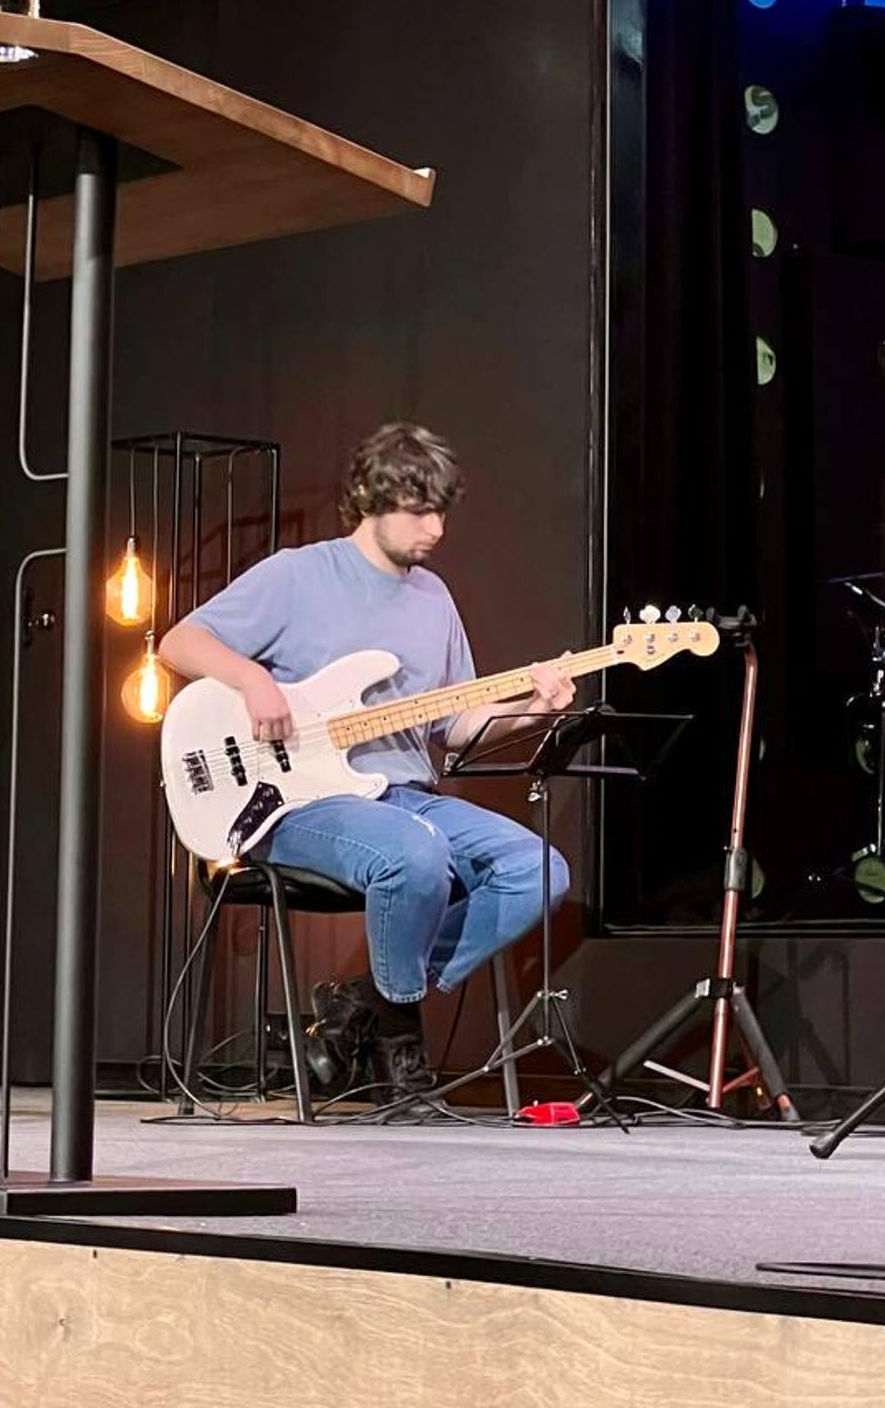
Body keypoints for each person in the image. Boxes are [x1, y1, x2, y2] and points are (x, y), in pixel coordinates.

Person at [158, 422, 576, 1096]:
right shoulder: (299, 574)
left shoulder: (433, 598)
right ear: (369, 498)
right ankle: (399, 1041)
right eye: (418, 509)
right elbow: (180, 642)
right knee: (414, 854)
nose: (435, 527)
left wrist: (536, 709)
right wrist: (253, 679)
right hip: (298, 804)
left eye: (441, 509)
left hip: (403, 794)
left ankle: (369, 1004)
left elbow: (456, 729)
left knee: (539, 869)